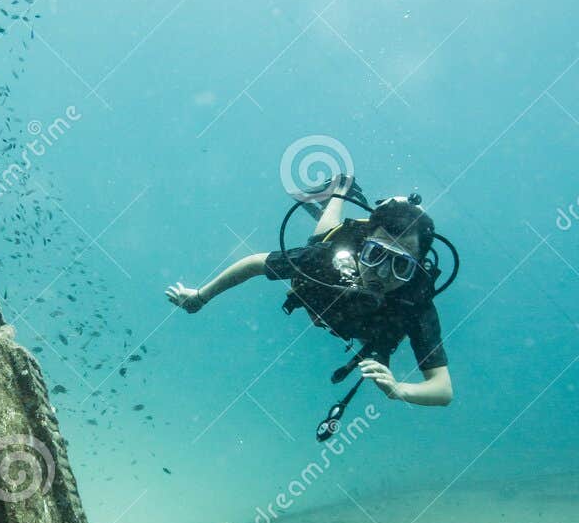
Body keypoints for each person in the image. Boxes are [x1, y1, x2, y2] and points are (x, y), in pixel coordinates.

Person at [166, 178, 453, 420]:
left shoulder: (415, 303)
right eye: (375, 255)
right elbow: (255, 263)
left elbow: (442, 390)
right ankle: (342, 186)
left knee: (324, 242)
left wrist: (399, 389)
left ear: (416, 267)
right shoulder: (326, 259)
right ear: (363, 246)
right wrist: (200, 297)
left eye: (400, 266)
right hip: (327, 276)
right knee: (323, 238)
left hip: (359, 323)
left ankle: (344, 193)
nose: (381, 273)